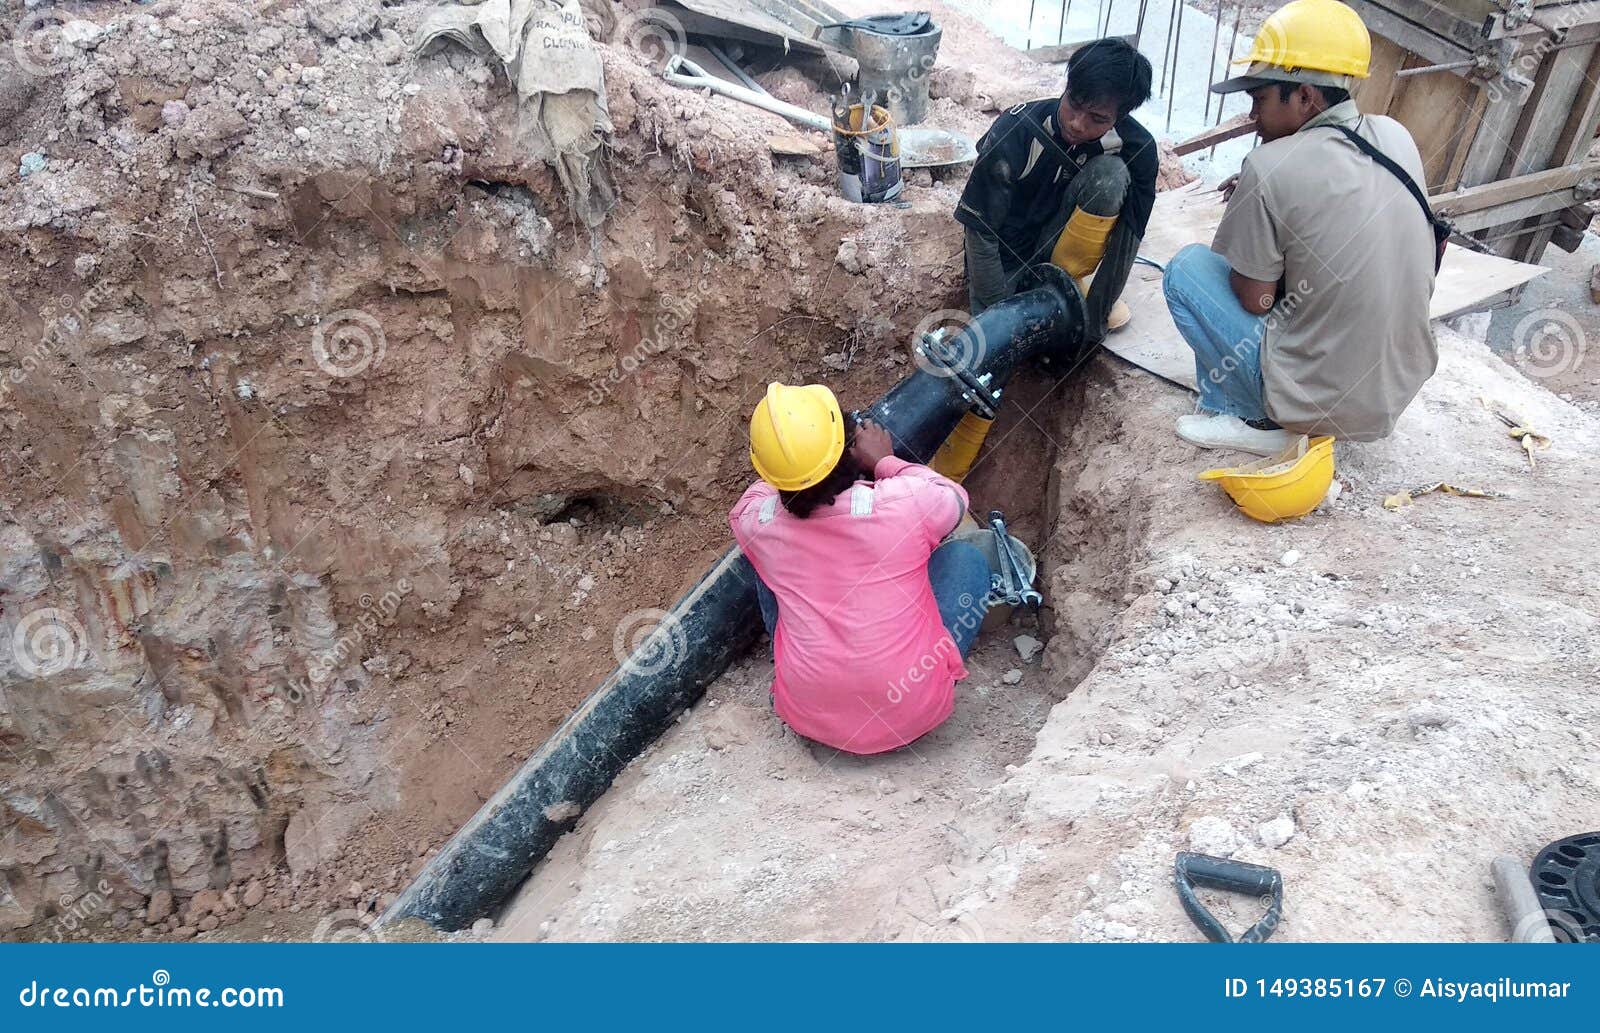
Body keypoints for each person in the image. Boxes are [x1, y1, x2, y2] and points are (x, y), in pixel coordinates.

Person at [1162, 0, 1437, 455]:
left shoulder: (1269, 165)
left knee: (1187, 269)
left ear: (1305, 96)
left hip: (1311, 401)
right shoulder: (1396, 137)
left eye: (1261, 100)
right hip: (1391, 393)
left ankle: (1254, 420)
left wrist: (1255, 215)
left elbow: (1257, 300)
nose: (1254, 118)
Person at [729, 383, 995, 755]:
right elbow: (953, 498)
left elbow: (754, 497)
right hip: (912, 712)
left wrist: (791, 465)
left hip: (811, 715)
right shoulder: (903, 505)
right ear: (846, 448)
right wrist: (885, 463)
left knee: (767, 566)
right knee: (966, 560)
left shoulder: (755, 523)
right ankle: (934, 676)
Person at [956, 36, 1158, 345]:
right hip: (1004, 258)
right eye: (1074, 104)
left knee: (1110, 176)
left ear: (1121, 116)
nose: (1078, 124)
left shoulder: (1137, 149)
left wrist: (1093, 323)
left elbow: (1127, 240)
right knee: (994, 338)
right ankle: (1032, 299)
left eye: (1098, 118)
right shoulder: (1015, 131)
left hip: (1052, 250)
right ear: (1066, 87)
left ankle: (1061, 282)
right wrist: (995, 319)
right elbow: (979, 232)